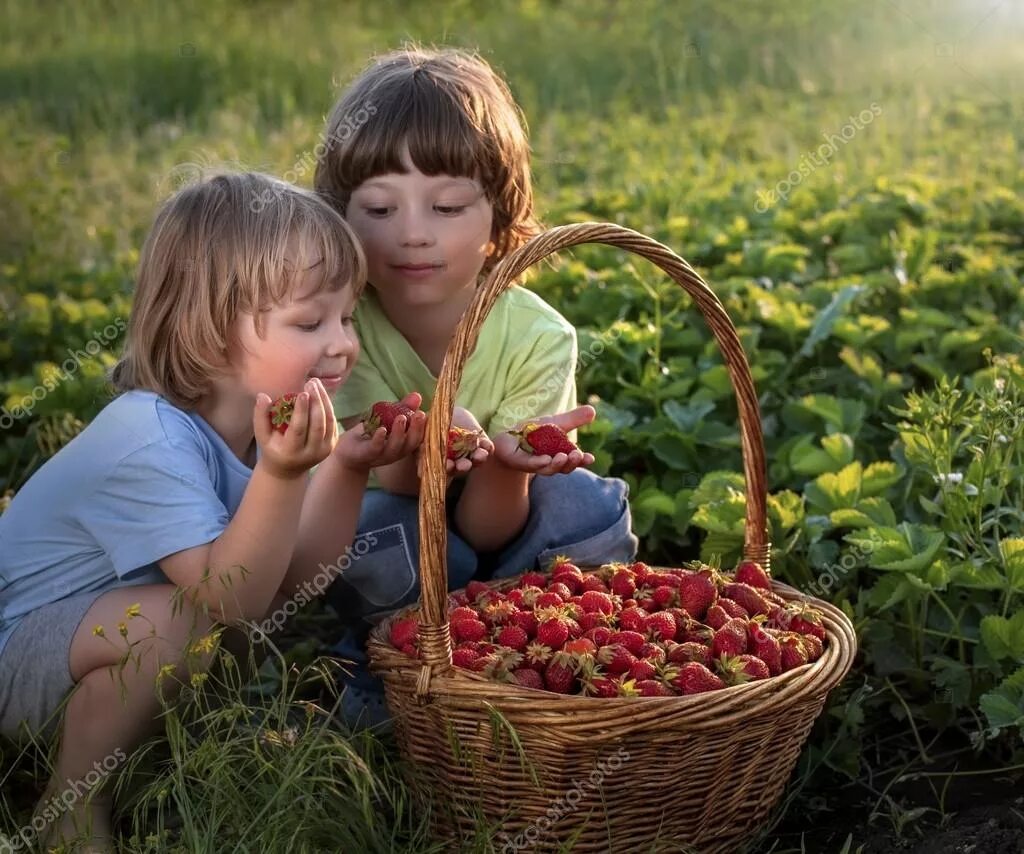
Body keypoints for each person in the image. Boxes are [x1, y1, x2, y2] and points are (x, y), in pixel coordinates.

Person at [0, 172, 416, 852]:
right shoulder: (147, 437)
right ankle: (68, 811)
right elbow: (230, 600)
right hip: (16, 655)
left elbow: (298, 580)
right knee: (181, 623)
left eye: (347, 316)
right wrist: (283, 475)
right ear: (210, 330)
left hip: (88, 650)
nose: (342, 343)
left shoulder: (259, 425)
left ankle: (128, 748)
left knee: (198, 626)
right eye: (310, 321)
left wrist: (344, 466)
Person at [313, 46, 638, 727]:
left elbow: (487, 528)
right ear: (337, 215)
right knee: (381, 533)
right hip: (397, 527)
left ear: (498, 217)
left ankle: (534, 645)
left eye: (448, 206)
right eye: (377, 208)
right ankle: (390, 660)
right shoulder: (342, 327)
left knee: (576, 500)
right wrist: (424, 453)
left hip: (501, 542)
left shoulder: (538, 337)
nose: (411, 234)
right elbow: (373, 489)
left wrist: (505, 468)